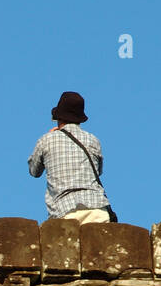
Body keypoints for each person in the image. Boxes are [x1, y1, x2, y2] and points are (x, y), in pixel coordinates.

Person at [28, 91, 113, 223]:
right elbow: (98, 172)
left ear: (58, 118)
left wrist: (50, 137)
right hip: (97, 209)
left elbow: (34, 171)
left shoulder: (46, 140)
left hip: (64, 210)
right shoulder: (93, 140)